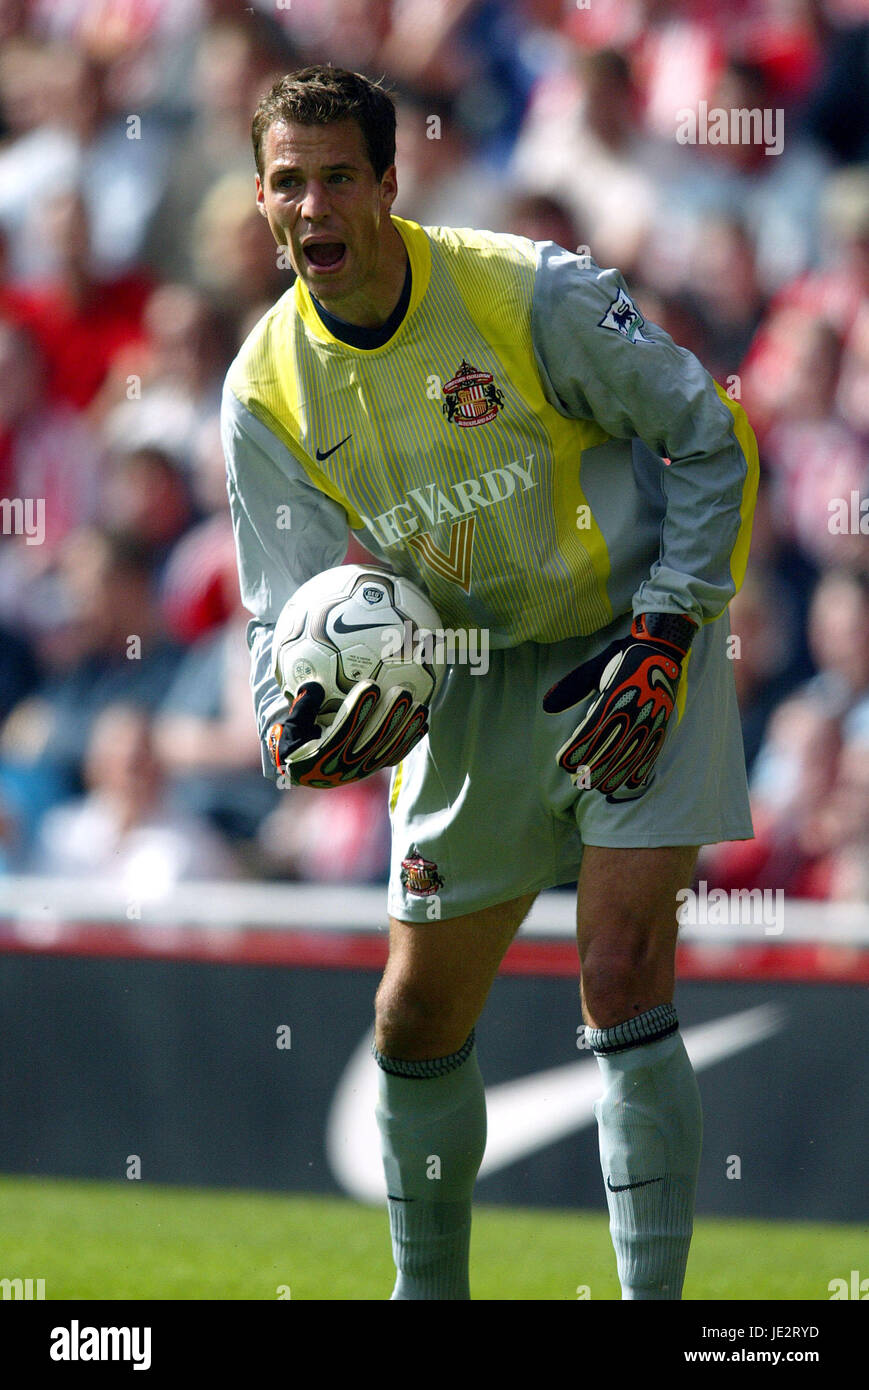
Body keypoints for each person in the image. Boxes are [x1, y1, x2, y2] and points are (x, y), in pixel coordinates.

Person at [221, 65, 759, 1301]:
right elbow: (282, 611)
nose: (314, 206)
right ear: (260, 200)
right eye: (288, 182)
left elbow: (705, 431)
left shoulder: (528, 295)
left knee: (621, 964)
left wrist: (673, 631)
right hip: (459, 676)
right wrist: (285, 720)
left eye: (338, 177)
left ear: (389, 186)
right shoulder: (261, 387)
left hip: (632, 652)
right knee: (413, 1023)